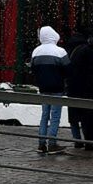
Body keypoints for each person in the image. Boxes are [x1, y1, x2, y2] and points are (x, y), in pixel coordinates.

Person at [30, 25, 70, 154]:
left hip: (43, 87)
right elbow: (68, 69)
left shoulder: (36, 51)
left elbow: (33, 68)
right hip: (57, 87)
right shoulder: (60, 51)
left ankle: (41, 143)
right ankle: (52, 143)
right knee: (55, 116)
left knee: (44, 115)